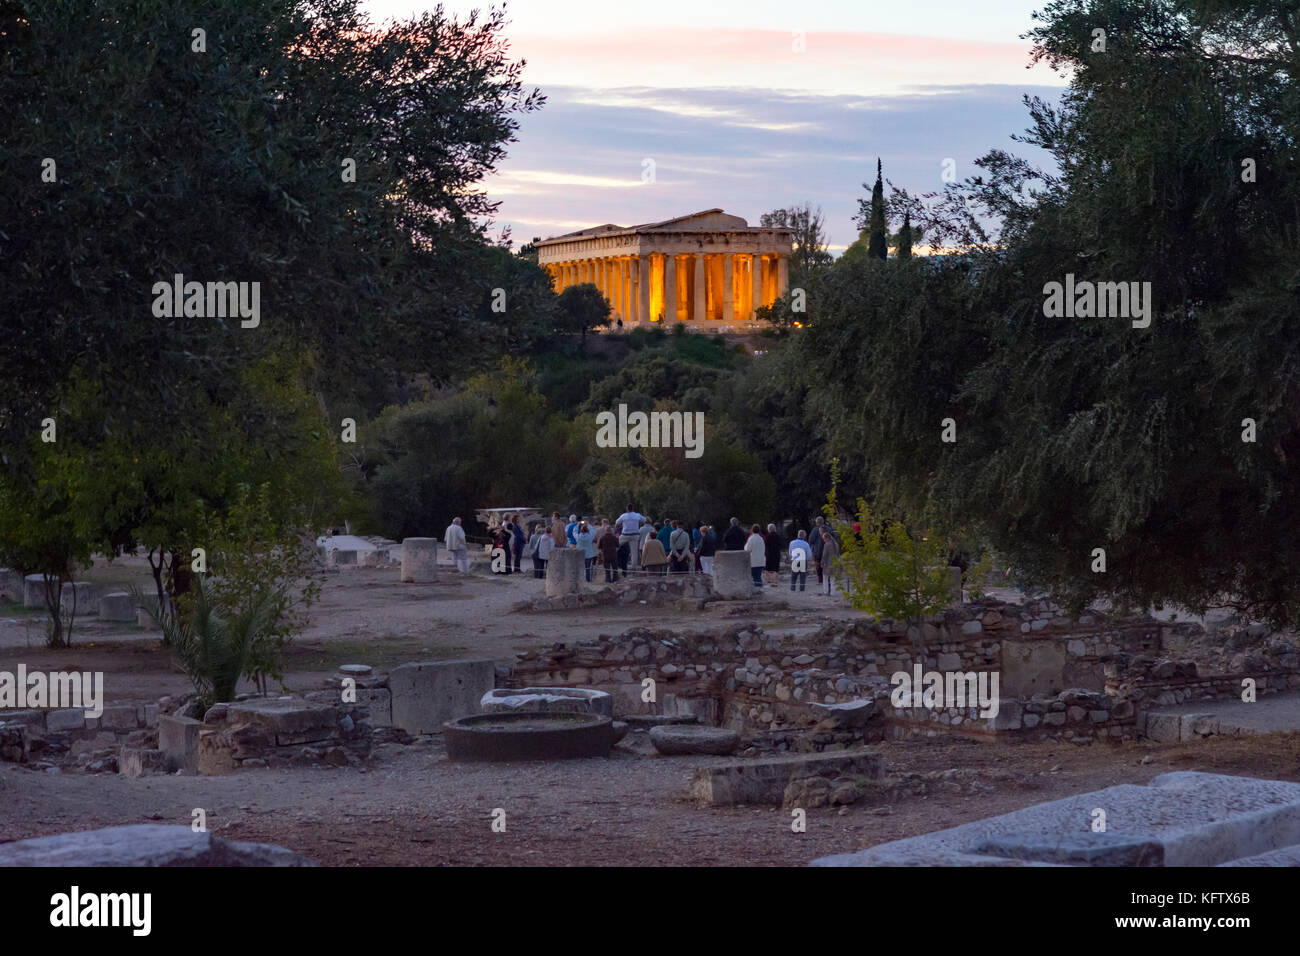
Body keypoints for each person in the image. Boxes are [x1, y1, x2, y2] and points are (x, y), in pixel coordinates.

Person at [615, 506, 644, 571]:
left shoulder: (623, 516)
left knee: (616, 546)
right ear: (633, 509)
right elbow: (644, 520)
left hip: (625, 534)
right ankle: (634, 566)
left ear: (627, 509)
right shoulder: (637, 515)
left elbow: (617, 522)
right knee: (634, 552)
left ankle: (613, 560)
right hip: (634, 534)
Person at [820, 524, 841, 596]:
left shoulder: (827, 544)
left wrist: (822, 562)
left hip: (828, 563)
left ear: (826, 538)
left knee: (825, 578)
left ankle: (825, 591)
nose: (824, 540)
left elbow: (824, 555)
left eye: (824, 539)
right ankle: (833, 592)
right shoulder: (836, 544)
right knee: (833, 578)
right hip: (835, 562)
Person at [764, 522, 783, 587]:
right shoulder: (778, 536)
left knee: (767, 567)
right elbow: (780, 544)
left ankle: (768, 579)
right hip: (776, 553)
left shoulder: (767, 536)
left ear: (769, 529)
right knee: (776, 568)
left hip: (769, 554)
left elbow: (765, 545)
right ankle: (775, 581)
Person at [810, 515, 827, 585]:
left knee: (818, 566)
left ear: (817, 523)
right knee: (826, 564)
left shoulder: (815, 530)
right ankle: (826, 579)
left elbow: (811, 540)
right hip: (827, 550)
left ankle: (820, 580)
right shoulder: (828, 528)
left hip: (817, 551)